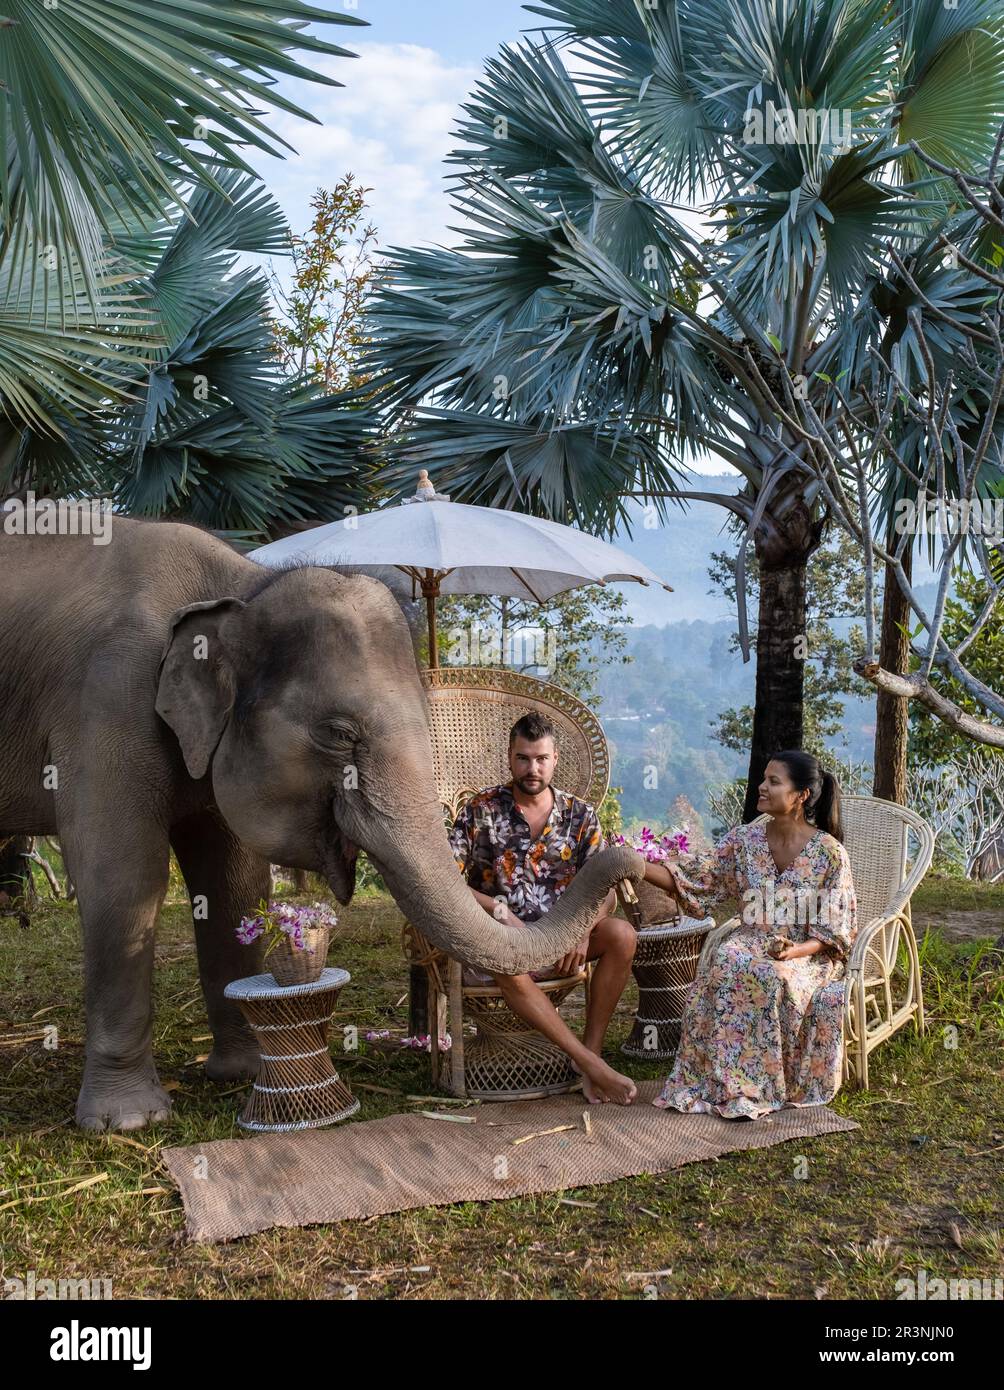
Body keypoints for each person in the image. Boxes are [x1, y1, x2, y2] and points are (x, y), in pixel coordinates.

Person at [637, 751, 858, 1120]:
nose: (762, 786)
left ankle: (758, 1088)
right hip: (750, 939)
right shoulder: (745, 840)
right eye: (764, 778)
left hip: (807, 953)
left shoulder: (830, 854)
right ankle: (723, 1084)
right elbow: (699, 878)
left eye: (774, 781)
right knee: (726, 963)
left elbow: (836, 927)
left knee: (772, 976)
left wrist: (796, 951)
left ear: (801, 795)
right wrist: (636, 865)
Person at [449, 711, 638, 1105]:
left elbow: (606, 888)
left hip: (564, 937)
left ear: (555, 760)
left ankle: (593, 1051)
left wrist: (583, 931)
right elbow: (446, 883)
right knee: (508, 960)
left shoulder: (580, 815)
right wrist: (502, 915)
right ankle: (589, 1064)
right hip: (500, 938)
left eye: (541, 759)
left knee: (622, 934)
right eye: (523, 758)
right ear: (509, 757)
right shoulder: (480, 811)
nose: (532, 768)